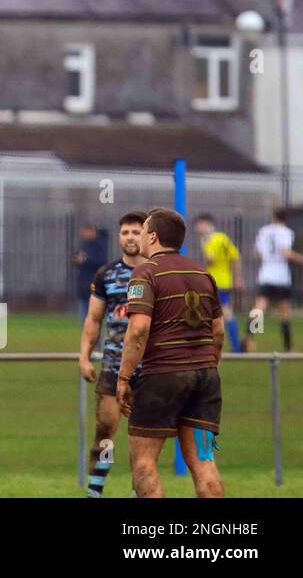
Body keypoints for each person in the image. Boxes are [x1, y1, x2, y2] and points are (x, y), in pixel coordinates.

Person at [117, 208, 224, 498]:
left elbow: (138, 329)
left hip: (162, 376)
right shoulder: (203, 274)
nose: (137, 236)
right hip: (205, 377)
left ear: (152, 236)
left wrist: (124, 377)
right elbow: (218, 332)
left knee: (143, 462)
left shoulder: (146, 272)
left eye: (141, 231)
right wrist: (208, 367)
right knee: (204, 463)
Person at [77, 211, 145, 497]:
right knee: (105, 430)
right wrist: (83, 356)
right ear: (119, 237)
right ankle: (95, 492)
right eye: (125, 232)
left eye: (136, 232)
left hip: (149, 369)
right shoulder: (106, 274)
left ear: (148, 235)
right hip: (113, 364)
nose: (130, 237)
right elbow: (93, 319)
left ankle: (136, 492)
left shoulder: (159, 273)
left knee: (141, 440)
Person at [249, 209, 302, 352]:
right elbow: (285, 252)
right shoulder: (286, 232)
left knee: (259, 307)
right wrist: (299, 258)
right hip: (281, 276)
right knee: (284, 311)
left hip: (266, 273)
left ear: (273, 217)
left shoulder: (264, 231)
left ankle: (250, 339)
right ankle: (287, 347)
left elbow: (256, 252)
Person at [194, 214, 243, 355]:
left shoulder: (210, 239)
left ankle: (235, 347)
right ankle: (234, 346)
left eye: (199, 224)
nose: (197, 228)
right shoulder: (222, 237)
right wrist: (238, 277)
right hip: (224, 281)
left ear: (205, 224)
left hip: (215, 282)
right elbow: (236, 256)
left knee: (219, 313)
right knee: (219, 313)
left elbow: (210, 259)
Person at [71, 222, 110, 318]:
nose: (83, 234)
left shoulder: (100, 245)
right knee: (84, 314)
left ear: (92, 231)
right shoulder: (84, 244)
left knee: (96, 314)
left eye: (85, 231)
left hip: (95, 284)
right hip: (83, 285)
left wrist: (85, 260)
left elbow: (101, 261)